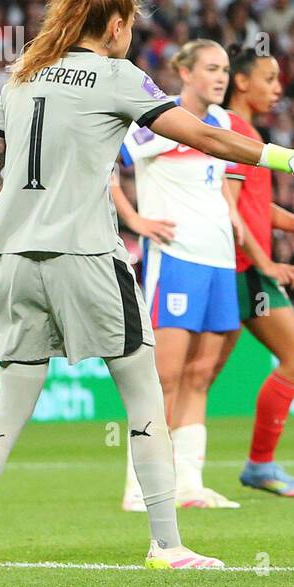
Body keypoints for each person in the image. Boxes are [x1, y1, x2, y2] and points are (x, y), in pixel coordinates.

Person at [0, 0, 294, 574]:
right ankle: (167, 546)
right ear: (115, 26)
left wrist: (35, 215)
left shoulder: (22, 78)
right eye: (130, 26)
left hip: (14, 258)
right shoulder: (117, 76)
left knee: (9, 406)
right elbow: (206, 137)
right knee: (147, 395)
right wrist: (291, 161)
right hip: (89, 257)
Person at [112, 39, 243, 511]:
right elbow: (106, 166)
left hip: (219, 259)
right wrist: (134, 220)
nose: (221, 77)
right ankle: (140, 485)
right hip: (176, 258)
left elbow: (222, 186)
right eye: (211, 68)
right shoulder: (157, 122)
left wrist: (238, 221)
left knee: (201, 374)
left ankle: (188, 482)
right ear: (185, 73)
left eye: (225, 68)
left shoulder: (224, 124)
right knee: (164, 377)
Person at [221, 46, 294, 498]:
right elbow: (226, 206)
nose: (278, 88)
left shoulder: (242, 131)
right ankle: (258, 465)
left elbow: (253, 205)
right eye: (269, 78)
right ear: (241, 82)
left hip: (238, 266)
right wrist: (266, 264)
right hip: (243, 267)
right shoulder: (232, 130)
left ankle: (170, 468)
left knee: (199, 376)